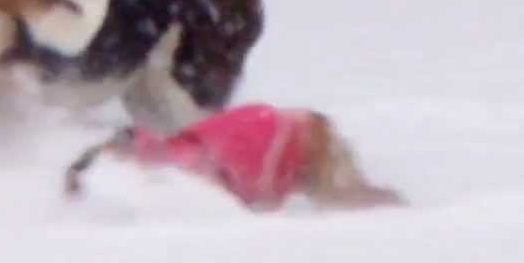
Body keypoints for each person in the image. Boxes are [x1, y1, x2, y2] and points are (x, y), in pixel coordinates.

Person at [64, 103, 405, 212]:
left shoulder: (176, 168)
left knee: (339, 193)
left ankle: (383, 207)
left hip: (272, 138)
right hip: (268, 137)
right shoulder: (178, 167)